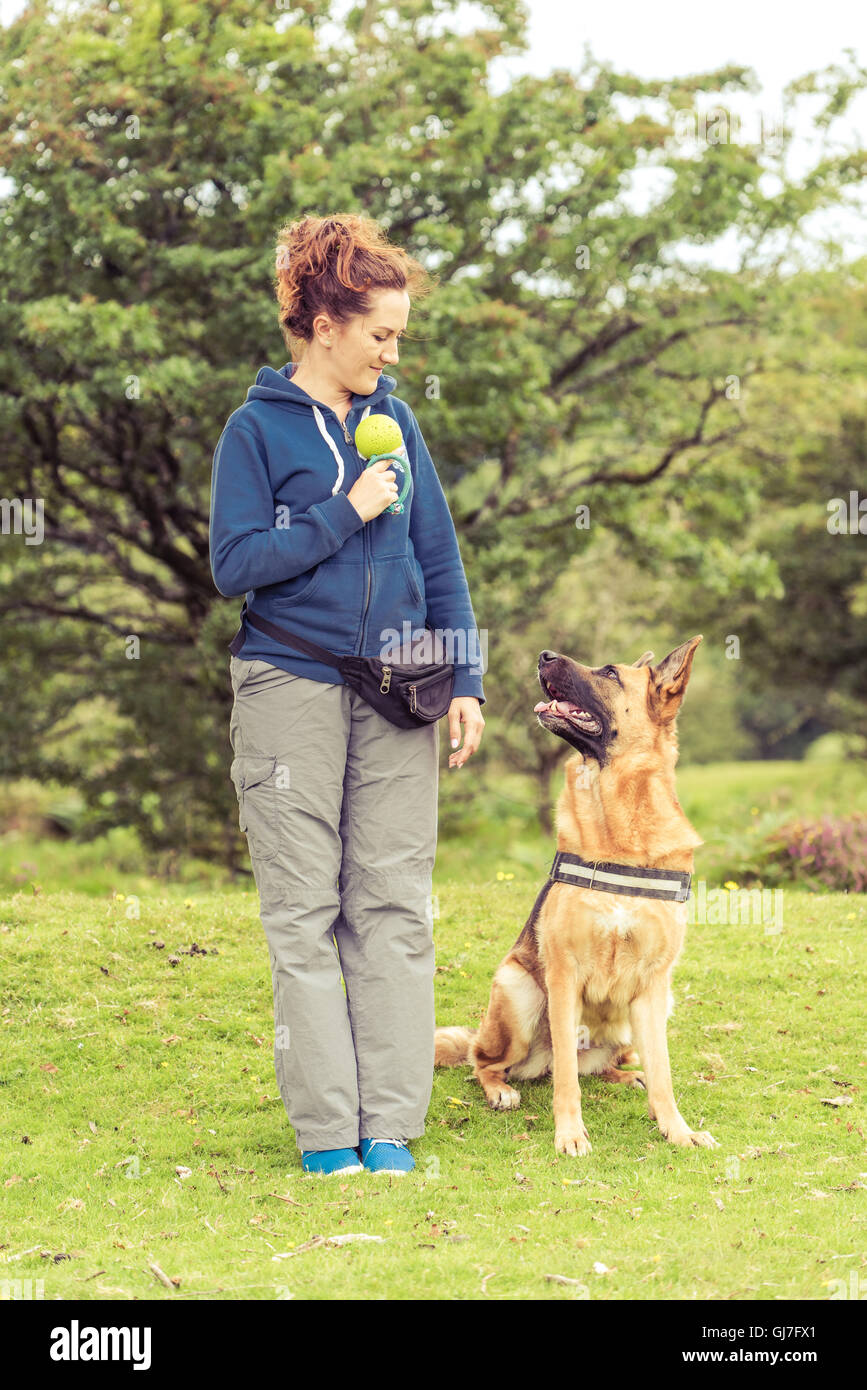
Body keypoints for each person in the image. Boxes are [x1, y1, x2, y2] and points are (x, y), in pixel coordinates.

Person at [209, 212, 486, 1176]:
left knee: (393, 906)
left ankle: (389, 1127)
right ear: (323, 321)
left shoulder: (397, 422)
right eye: (381, 332)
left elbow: (436, 554)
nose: (392, 350)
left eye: (400, 334)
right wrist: (344, 511)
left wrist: (466, 677)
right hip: (288, 681)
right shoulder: (254, 429)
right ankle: (328, 1134)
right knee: (303, 913)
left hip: (401, 688)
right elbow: (236, 563)